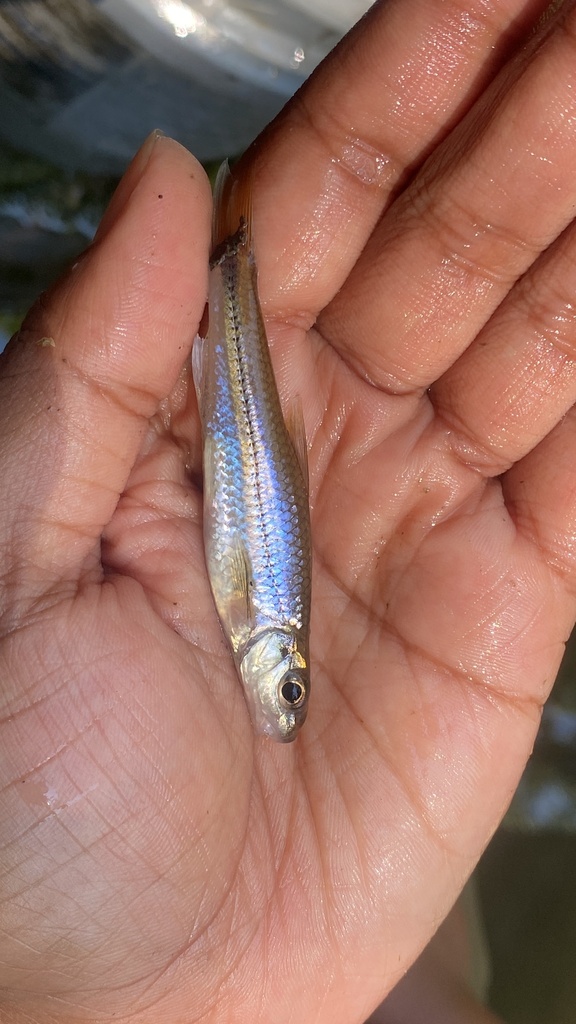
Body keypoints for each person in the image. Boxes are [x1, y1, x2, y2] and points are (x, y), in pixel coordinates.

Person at [1, 0, 575, 1019]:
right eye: (290, 690)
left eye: (288, 692)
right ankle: (234, 262)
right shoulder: (268, 619)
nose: (282, 703)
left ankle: (234, 257)